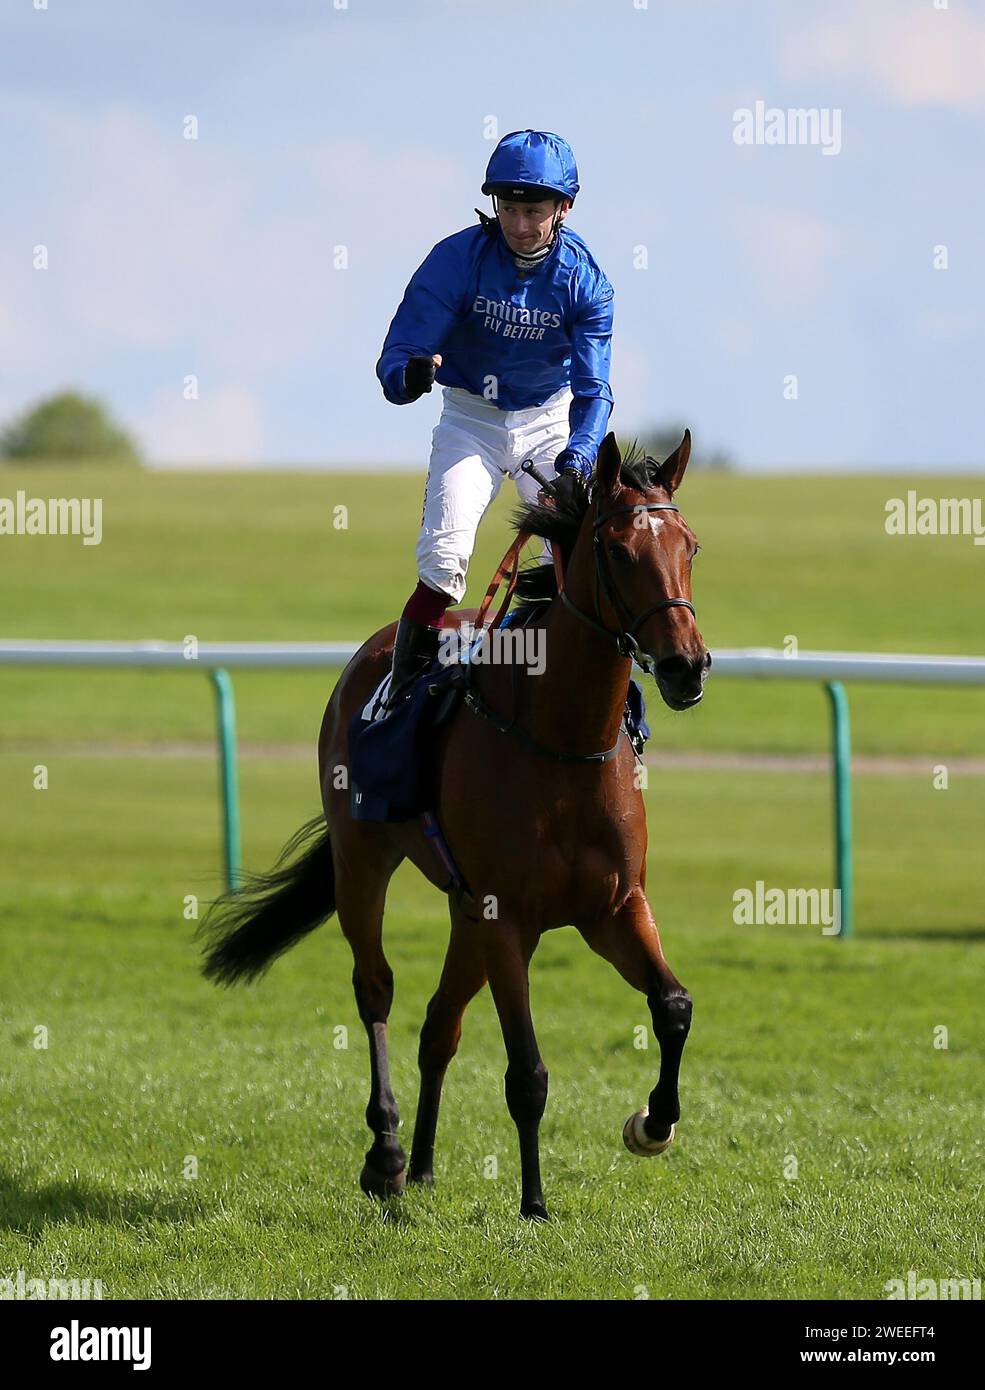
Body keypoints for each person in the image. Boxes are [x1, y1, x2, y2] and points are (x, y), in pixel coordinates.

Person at [375, 128, 614, 707]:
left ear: (563, 207)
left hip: (549, 422)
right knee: (444, 557)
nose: (519, 225)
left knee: (577, 557)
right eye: (508, 209)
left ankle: (612, 696)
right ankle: (396, 698)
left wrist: (578, 457)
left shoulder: (587, 281)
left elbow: (595, 391)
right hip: (471, 420)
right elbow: (401, 352)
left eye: (533, 211)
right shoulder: (455, 259)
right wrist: (408, 378)